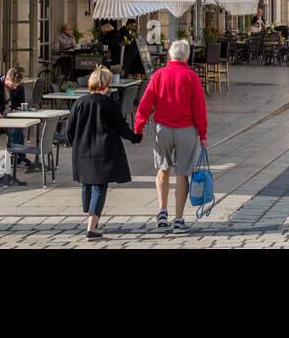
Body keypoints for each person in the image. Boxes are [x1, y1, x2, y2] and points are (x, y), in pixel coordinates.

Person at [134, 39, 209, 233]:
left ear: (169, 55)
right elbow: (199, 108)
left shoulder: (158, 75)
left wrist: (138, 127)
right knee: (182, 174)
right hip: (186, 131)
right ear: (187, 56)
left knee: (162, 169)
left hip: (163, 129)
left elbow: (145, 103)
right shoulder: (192, 77)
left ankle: (162, 212)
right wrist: (203, 134)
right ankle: (178, 219)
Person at [67, 66, 142, 239]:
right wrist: (135, 137)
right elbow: (122, 128)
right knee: (100, 188)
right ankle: (92, 227)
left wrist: (76, 144)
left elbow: (69, 129)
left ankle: (90, 213)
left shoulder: (79, 103)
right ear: (106, 84)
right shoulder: (109, 104)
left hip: (82, 150)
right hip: (103, 152)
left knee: (86, 183)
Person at [0, 67, 38, 173]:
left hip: (13, 116)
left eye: (17, 85)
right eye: (13, 85)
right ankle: (17, 156)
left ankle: (17, 155)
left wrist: (18, 109)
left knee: (20, 126)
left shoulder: (19, 88)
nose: (15, 88)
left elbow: (19, 104)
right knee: (17, 128)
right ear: (6, 79)